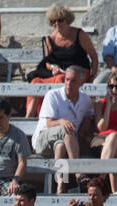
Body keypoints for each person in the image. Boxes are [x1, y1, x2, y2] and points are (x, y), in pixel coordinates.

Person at [24, 3, 94, 118]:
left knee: (63, 79)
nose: (56, 24)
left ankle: (58, 116)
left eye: (60, 20)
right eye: (53, 21)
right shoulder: (49, 39)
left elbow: (94, 57)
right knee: (35, 81)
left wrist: (93, 75)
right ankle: (30, 117)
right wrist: (52, 67)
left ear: (67, 20)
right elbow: (47, 62)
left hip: (79, 72)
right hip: (58, 73)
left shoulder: (79, 34)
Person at [33, 65, 93, 193]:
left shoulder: (85, 99)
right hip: (42, 139)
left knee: (60, 146)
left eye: (73, 80)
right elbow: (48, 123)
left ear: (81, 83)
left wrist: (87, 120)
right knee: (67, 129)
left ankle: (61, 184)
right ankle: (78, 174)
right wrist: (61, 121)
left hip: (64, 143)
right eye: (67, 79)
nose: (69, 83)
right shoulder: (53, 95)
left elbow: (88, 114)